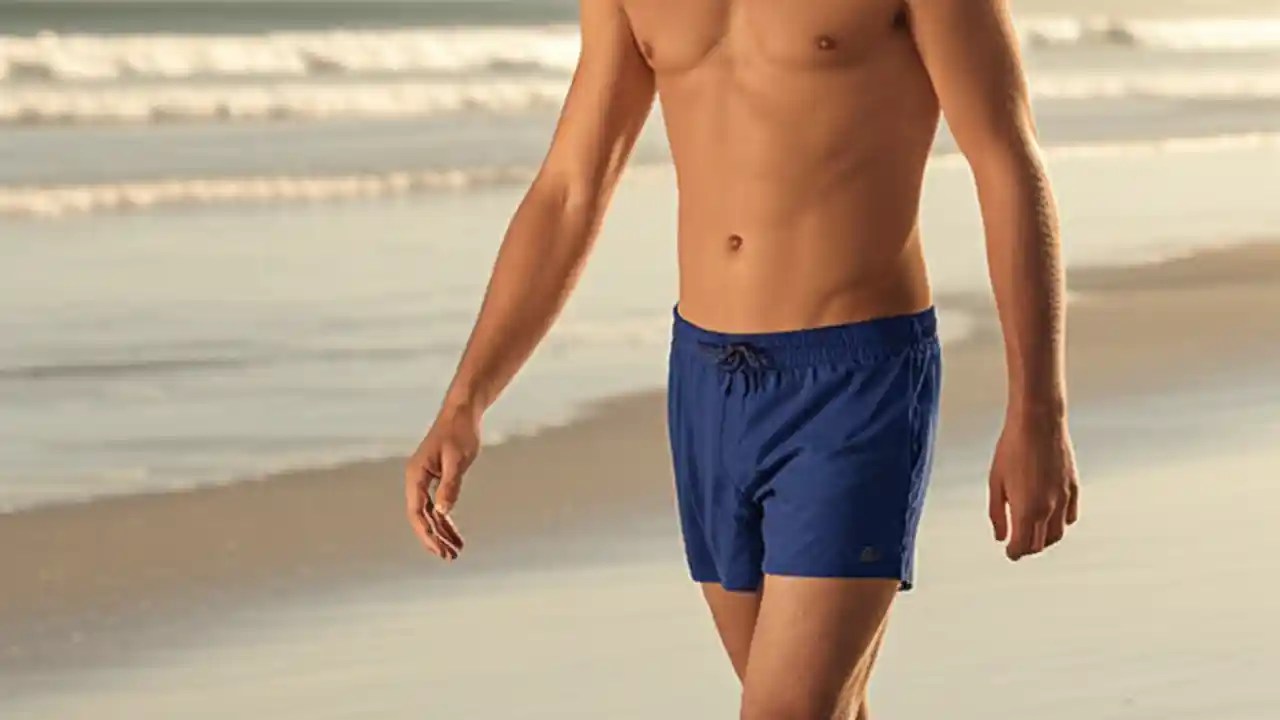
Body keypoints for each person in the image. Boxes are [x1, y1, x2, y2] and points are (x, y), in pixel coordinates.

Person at [405, 0, 1081, 716]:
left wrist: (1038, 408)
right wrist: (466, 400)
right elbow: (571, 187)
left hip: (852, 380)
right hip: (705, 384)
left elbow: (1007, 158)